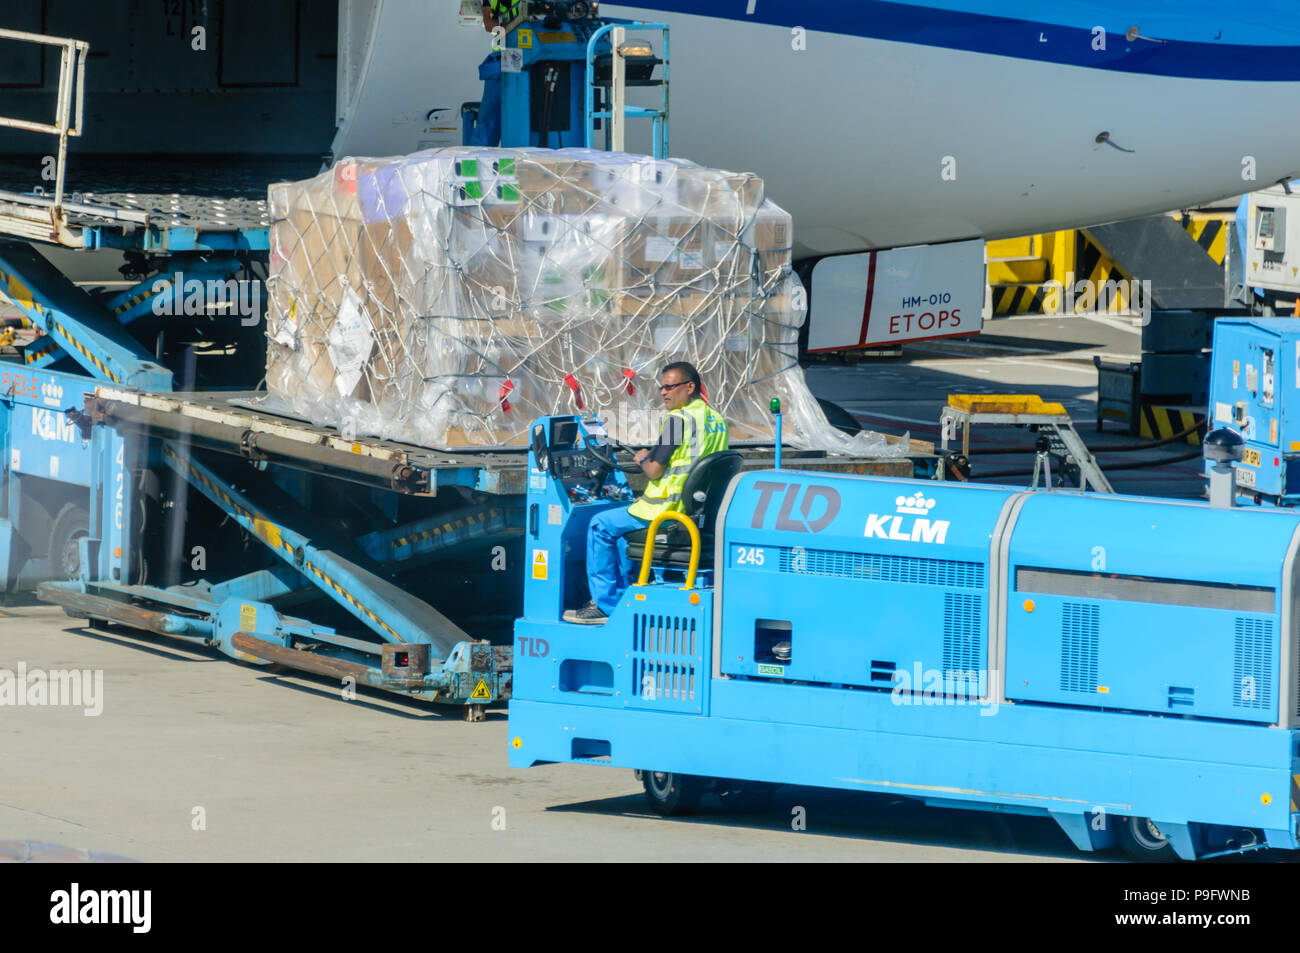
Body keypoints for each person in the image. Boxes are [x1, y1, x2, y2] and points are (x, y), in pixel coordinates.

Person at [564, 362, 729, 625]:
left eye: (671, 387)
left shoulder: (678, 420)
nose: (664, 393)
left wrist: (642, 458)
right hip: (693, 510)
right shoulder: (716, 420)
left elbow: (653, 470)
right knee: (619, 534)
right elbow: (693, 466)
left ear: (690, 387)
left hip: (667, 510)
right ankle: (624, 595)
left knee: (600, 525)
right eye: (662, 387)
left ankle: (605, 606)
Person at [468, 1, 523, 147]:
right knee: (489, 116)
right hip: (502, 60)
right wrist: (510, 27)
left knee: (520, 114)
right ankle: (478, 158)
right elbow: (488, 25)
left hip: (528, 56)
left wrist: (502, 27)